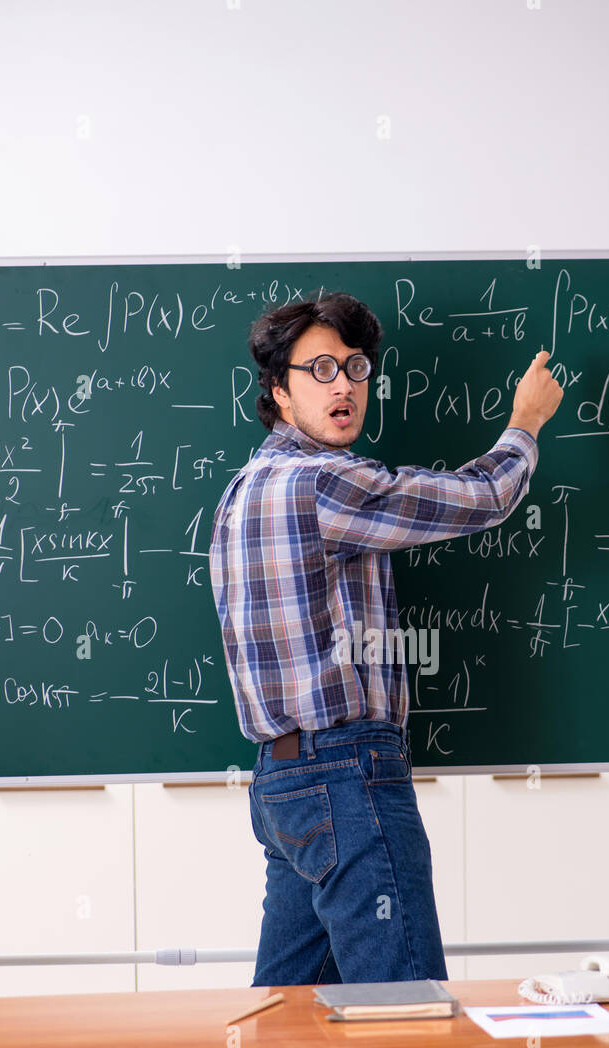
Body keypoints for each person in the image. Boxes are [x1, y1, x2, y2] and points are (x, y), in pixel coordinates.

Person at [209, 292, 563, 985]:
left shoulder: (240, 489)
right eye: (318, 370)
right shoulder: (320, 482)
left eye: (354, 367)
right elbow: (480, 499)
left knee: (284, 1023)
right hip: (346, 775)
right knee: (403, 1007)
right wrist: (524, 424)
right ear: (279, 393)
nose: (343, 384)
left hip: (282, 784)